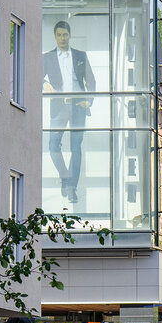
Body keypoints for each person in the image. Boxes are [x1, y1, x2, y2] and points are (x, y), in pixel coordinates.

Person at [43, 20, 94, 203]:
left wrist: (89, 100)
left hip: (78, 106)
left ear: (69, 35)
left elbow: (91, 81)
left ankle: (72, 187)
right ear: (55, 36)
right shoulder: (47, 57)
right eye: (59, 35)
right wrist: (45, 84)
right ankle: (65, 177)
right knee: (53, 145)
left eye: (65, 35)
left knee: (75, 147)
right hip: (59, 106)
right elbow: (37, 78)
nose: (62, 38)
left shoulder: (80, 55)